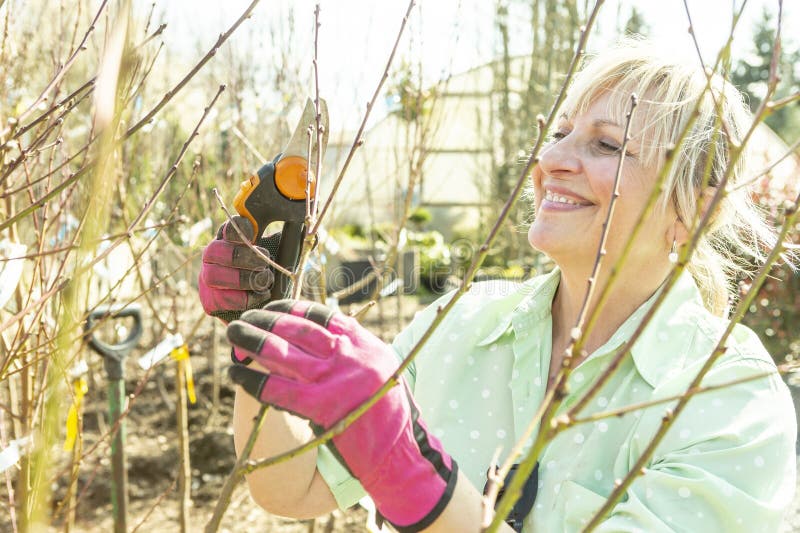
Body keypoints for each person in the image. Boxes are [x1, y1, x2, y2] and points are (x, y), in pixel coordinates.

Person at [199, 40, 797, 532]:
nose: (553, 157)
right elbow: (291, 486)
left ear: (694, 205)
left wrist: (406, 465)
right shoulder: (460, 324)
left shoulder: (725, 393)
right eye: (560, 132)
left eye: (607, 144)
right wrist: (263, 326)